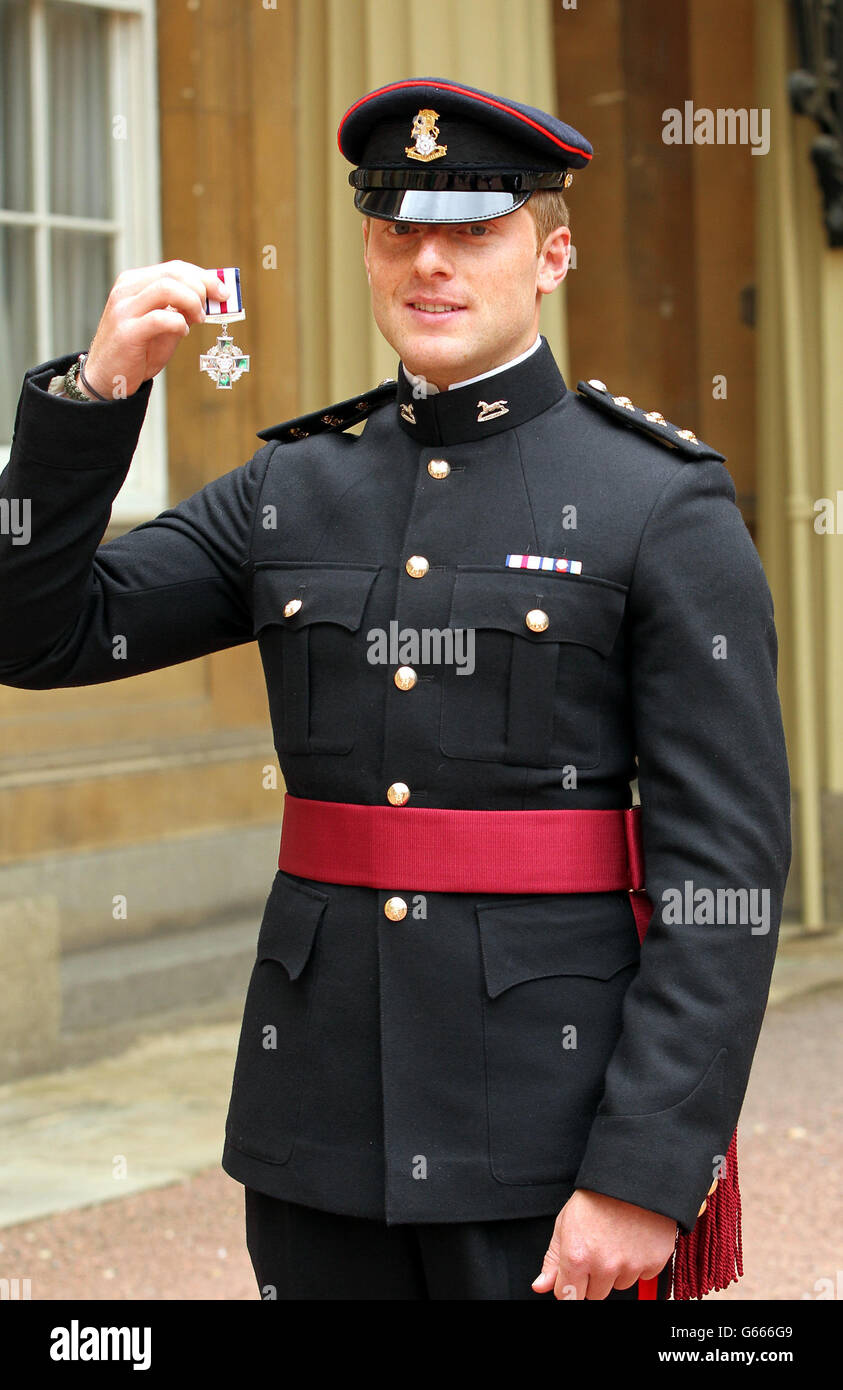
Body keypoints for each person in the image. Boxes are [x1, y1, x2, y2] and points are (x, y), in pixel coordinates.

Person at [0, 77, 790, 1301]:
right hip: (320, 1130)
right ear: (369, 251)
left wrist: (645, 1170)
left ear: (553, 253)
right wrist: (93, 403)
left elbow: (724, 870)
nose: (430, 261)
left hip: (547, 1139)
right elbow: (39, 633)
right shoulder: (290, 489)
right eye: (397, 229)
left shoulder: (658, 503)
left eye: (474, 229)